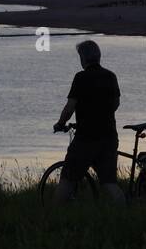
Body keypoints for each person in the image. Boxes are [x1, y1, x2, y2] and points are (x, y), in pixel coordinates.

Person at [52, 39, 124, 203]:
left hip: (86, 138)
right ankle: (125, 210)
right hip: (109, 137)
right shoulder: (110, 76)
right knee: (109, 183)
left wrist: (60, 124)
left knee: (68, 178)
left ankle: (52, 215)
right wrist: (102, 113)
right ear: (98, 56)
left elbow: (70, 108)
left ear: (83, 59)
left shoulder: (81, 77)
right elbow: (116, 103)